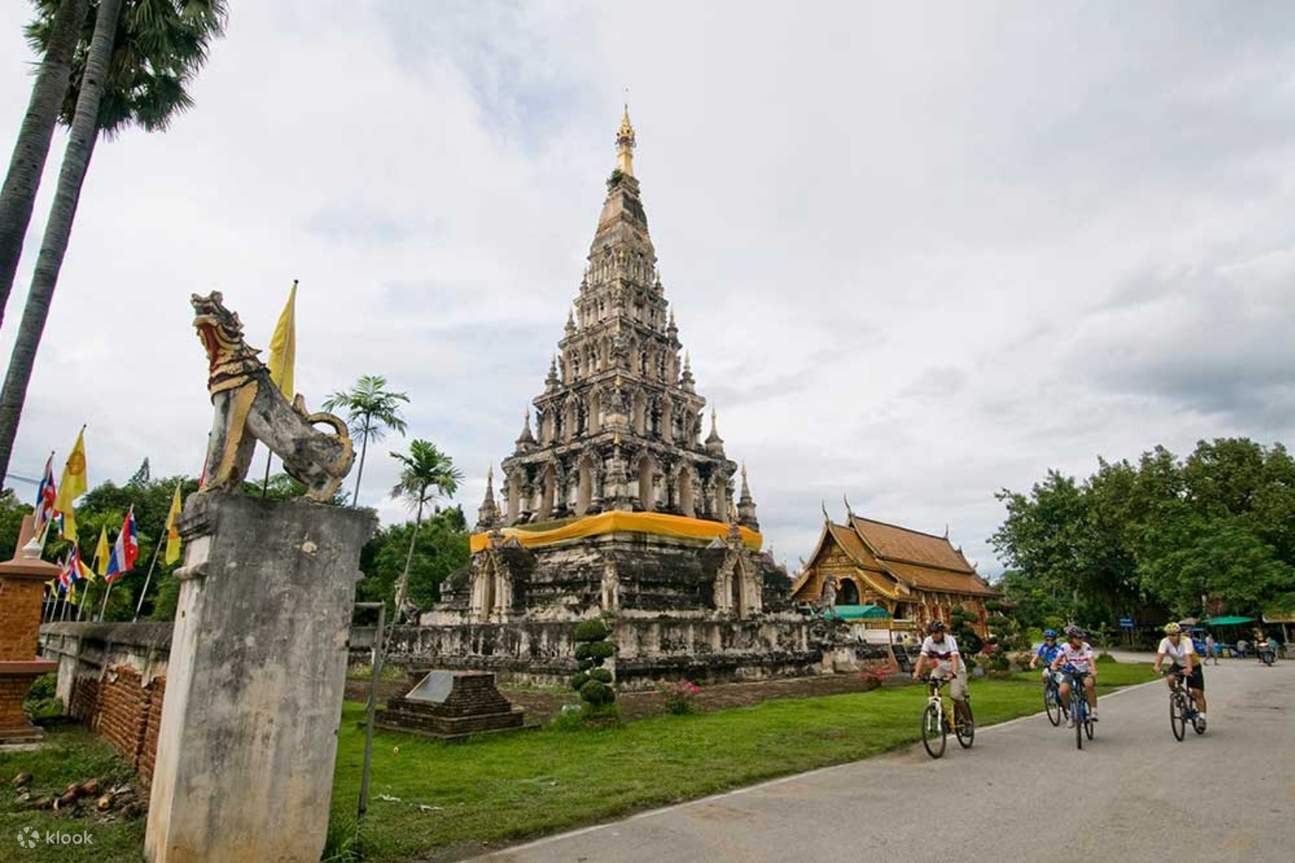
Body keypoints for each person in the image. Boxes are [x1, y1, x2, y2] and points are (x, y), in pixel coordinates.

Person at [912, 620, 971, 724]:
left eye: (937, 632)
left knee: (955, 695)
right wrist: (917, 672)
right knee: (932, 683)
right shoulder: (928, 641)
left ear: (942, 632)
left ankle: (967, 720)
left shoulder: (950, 640)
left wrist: (953, 673)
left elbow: (954, 658)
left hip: (957, 669)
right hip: (941, 668)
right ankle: (939, 710)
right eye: (932, 633)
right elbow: (922, 657)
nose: (934, 635)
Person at [1154, 622, 1207, 729]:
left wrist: (1189, 668)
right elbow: (1160, 655)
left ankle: (1202, 718)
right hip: (1178, 665)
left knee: (1198, 693)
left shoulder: (1186, 641)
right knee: (1170, 678)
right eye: (1168, 634)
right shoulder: (1164, 642)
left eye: (1173, 635)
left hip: (1193, 665)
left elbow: (1188, 656)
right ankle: (1178, 694)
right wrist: (1156, 666)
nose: (1171, 637)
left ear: (1179, 634)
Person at [1050, 625, 1098, 726]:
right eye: (1078, 638)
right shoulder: (1065, 647)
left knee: (1089, 684)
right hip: (1070, 672)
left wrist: (1093, 669)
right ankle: (1069, 713)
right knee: (1063, 691)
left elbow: (1091, 659)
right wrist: (1054, 666)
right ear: (1071, 639)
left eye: (1081, 638)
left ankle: (1094, 711)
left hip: (1084, 671)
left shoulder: (1086, 646)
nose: (1080, 640)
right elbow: (1058, 658)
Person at [1030, 629, 1062, 694]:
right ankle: (1048, 688)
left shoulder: (1059, 647)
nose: (1050, 642)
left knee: (1062, 681)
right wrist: (1032, 663)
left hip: (1060, 667)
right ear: (1045, 639)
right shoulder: (1043, 647)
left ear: (1055, 639)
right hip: (1048, 667)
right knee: (1044, 674)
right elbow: (1036, 657)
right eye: (1047, 640)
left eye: (1052, 640)